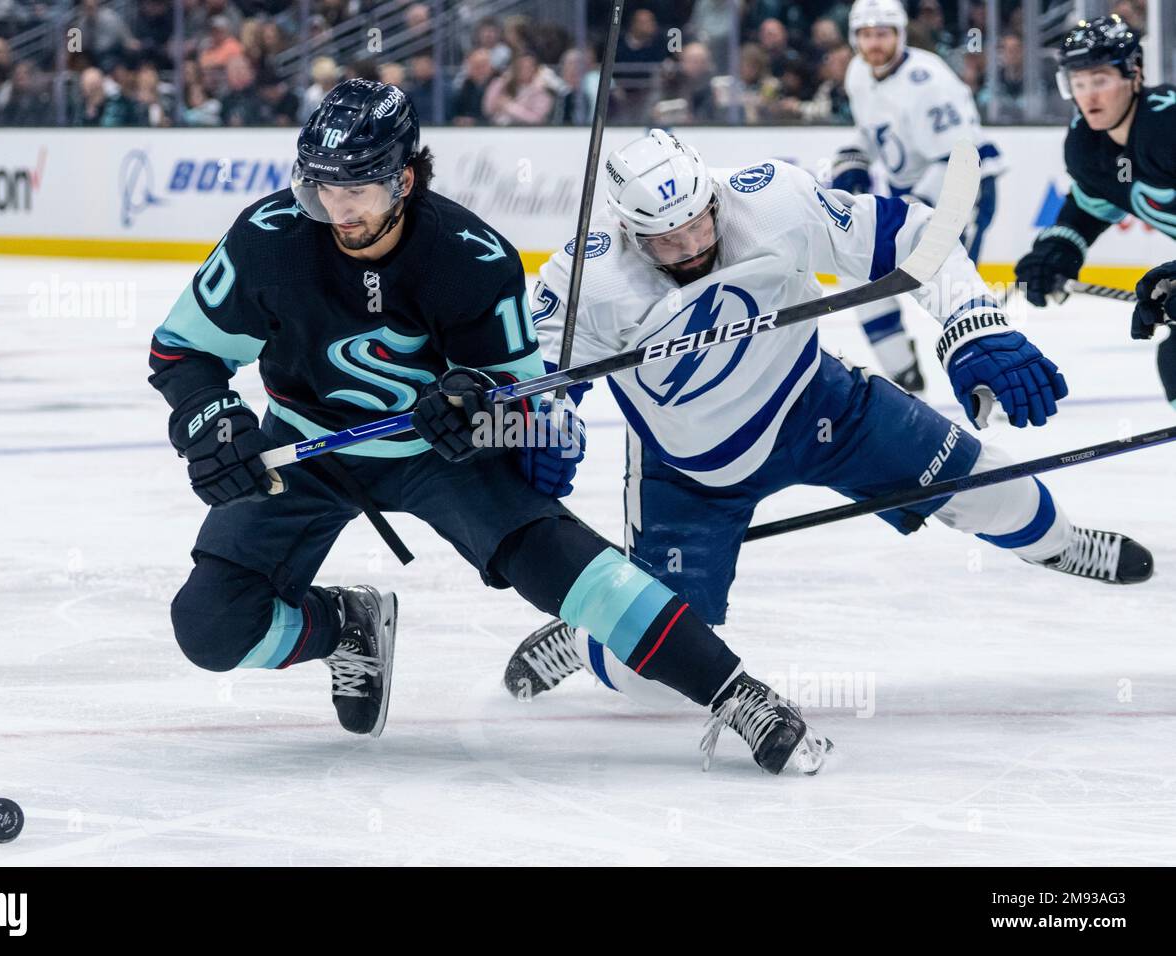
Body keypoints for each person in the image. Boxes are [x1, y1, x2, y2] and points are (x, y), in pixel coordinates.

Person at [148, 80, 830, 776]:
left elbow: (520, 401)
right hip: (306, 442)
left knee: (574, 571)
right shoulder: (268, 240)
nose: (338, 210)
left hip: (435, 458)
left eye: (358, 191)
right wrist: (214, 425)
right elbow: (181, 350)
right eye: (322, 188)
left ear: (404, 180)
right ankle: (346, 626)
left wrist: (476, 408)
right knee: (210, 627)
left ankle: (739, 695)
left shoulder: (469, 257)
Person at [502, 128, 1152, 705]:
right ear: (628, 229)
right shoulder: (587, 278)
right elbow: (535, 377)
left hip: (821, 405)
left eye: (701, 221)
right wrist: (543, 425)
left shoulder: (773, 201)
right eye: (668, 239)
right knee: (647, 663)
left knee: (989, 487)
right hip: (688, 469)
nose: (695, 244)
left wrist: (971, 325)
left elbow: (910, 234)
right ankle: (588, 637)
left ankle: (1064, 545)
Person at [832, 0, 1002, 393]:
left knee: (954, 291)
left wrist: (909, 211)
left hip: (963, 189)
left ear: (900, 34)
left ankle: (993, 374)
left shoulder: (929, 80)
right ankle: (904, 374)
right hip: (910, 193)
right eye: (865, 34)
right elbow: (872, 134)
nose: (873, 43)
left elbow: (958, 157)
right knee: (860, 274)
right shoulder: (858, 72)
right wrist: (852, 160)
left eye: (882, 34)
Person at [1013, 15, 1176, 408]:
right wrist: (1058, 250)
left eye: (1100, 80)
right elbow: (1089, 207)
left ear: (1134, 73)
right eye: (1078, 83)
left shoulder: (1166, 124)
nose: (1089, 96)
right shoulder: (1088, 145)